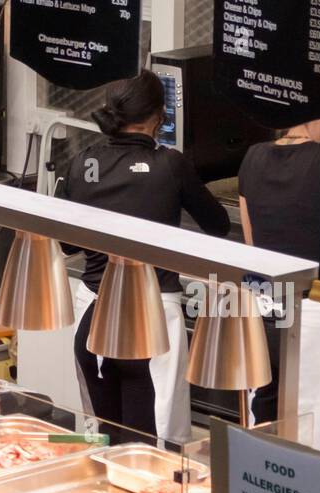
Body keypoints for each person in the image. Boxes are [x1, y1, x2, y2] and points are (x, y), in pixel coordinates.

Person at [57, 70, 231, 447]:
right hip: (153, 321)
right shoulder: (171, 164)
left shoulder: (81, 162)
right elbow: (217, 225)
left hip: (91, 316)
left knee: (103, 441)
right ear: (159, 116)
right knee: (156, 450)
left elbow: (66, 246)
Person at [239, 88, 320, 447]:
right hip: (318, 310)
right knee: (313, 420)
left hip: (264, 303)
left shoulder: (253, 157)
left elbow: (252, 246)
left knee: (265, 411)